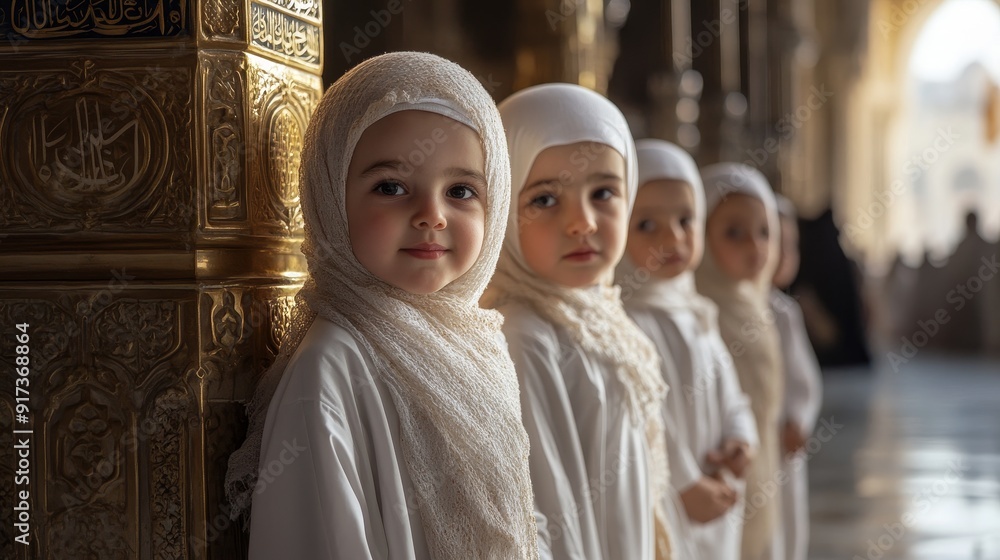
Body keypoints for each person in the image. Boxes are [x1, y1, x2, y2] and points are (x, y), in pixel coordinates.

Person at [224, 52, 541, 560]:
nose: (431, 216)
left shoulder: (475, 346)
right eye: (390, 187)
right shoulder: (329, 369)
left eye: (461, 190)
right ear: (329, 196)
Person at [483, 83, 671, 560]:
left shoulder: (603, 316)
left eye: (604, 192)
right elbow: (548, 508)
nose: (583, 222)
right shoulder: (523, 337)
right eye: (545, 199)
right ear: (502, 206)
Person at [619, 140, 758, 560]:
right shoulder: (626, 318)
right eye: (646, 225)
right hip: (667, 493)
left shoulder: (698, 313)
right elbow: (642, 415)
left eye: (686, 220)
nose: (673, 237)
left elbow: (733, 396)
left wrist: (741, 439)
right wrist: (682, 483)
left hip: (716, 487)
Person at [696, 163, 785, 560]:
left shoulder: (758, 306)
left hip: (758, 445)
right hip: (715, 455)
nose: (754, 245)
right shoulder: (699, 309)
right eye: (733, 233)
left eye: (764, 231)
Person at [771, 195, 823, 560]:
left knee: (783, 522)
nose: (784, 255)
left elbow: (805, 382)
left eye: (792, 247)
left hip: (780, 438)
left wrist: (798, 419)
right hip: (744, 442)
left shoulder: (783, 313)